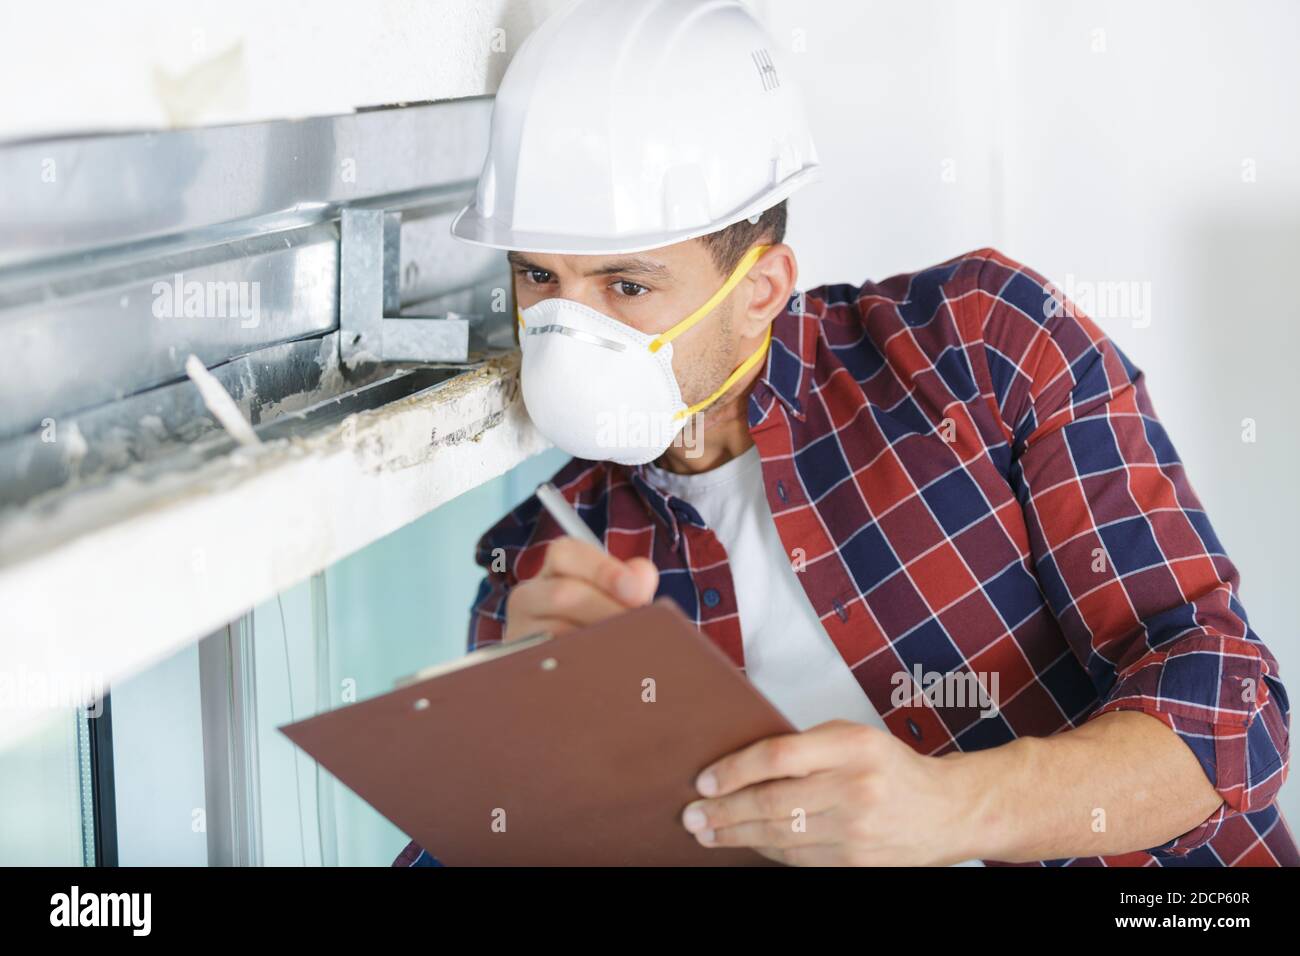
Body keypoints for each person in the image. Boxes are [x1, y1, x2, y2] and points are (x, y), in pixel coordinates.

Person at [395, 0, 1293, 866]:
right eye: (538, 277)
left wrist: (949, 810)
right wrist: (515, 754)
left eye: (627, 288)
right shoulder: (557, 560)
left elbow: (1230, 708)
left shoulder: (979, 348)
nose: (568, 328)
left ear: (760, 289)